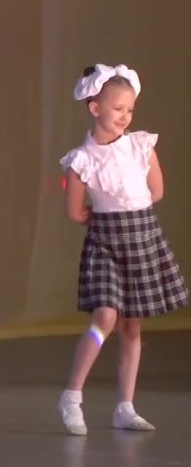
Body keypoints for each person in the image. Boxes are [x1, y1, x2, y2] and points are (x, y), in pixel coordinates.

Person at [55, 63, 185, 435]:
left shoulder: (141, 146)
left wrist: (130, 209)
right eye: (117, 109)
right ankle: (72, 396)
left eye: (129, 109)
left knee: (132, 326)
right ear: (95, 107)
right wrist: (105, 214)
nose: (125, 116)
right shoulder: (82, 160)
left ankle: (125, 406)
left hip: (142, 237)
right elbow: (74, 211)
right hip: (105, 243)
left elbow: (156, 190)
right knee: (105, 318)